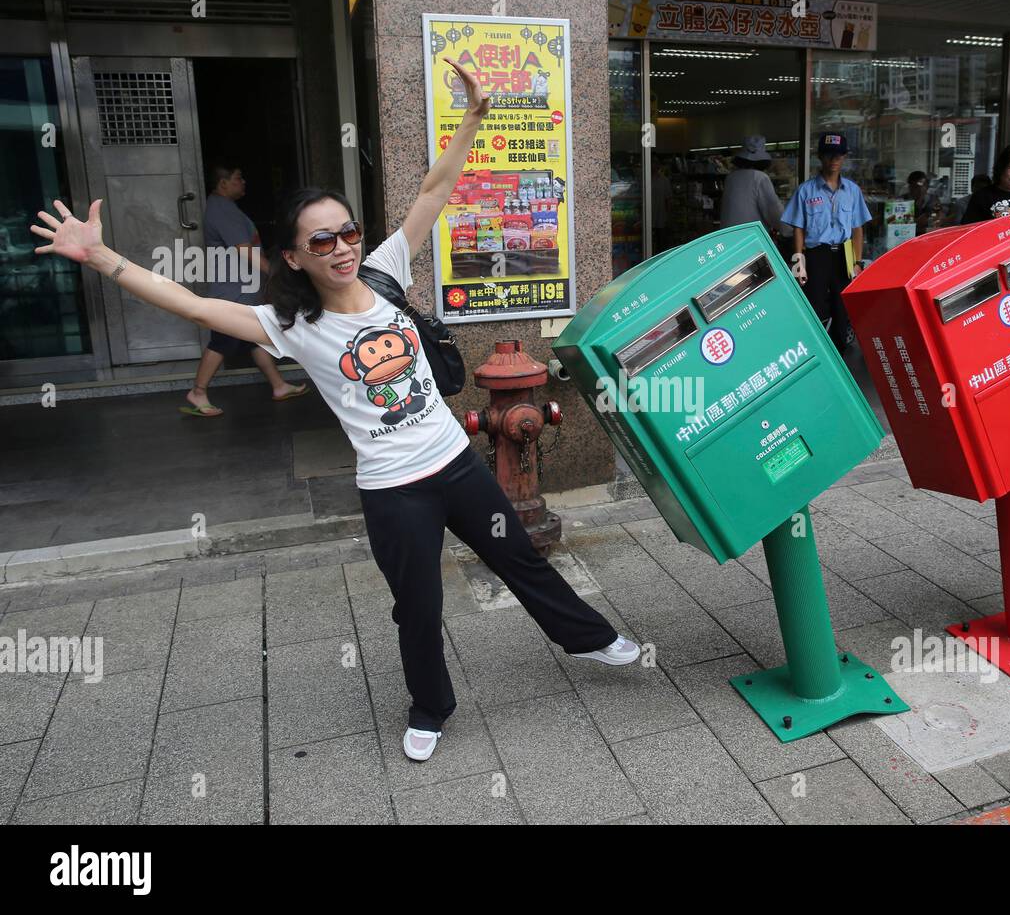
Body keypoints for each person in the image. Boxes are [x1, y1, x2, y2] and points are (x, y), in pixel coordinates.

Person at [31, 58, 639, 764]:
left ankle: (590, 638)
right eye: (322, 241)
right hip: (393, 490)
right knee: (417, 606)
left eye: (346, 231)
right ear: (293, 255)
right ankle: (430, 707)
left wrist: (474, 116)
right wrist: (104, 258)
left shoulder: (383, 268)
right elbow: (195, 304)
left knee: (520, 557)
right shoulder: (292, 324)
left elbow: (436, 189)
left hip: (454, 463)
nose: (342, 247)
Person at [180, 162, 307, 416]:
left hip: (241, 288)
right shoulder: (222, 210)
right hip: (233, 290)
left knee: (255, 337)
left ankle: (279, 385)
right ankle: (198, 391)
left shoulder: (225, 208)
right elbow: (243, 248)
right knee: (223, 340)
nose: (244, 182)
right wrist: (274, 273)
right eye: (238, 178)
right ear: (223, 183)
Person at [782, 131, 871, 356]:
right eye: (829, 155)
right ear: (820, 157)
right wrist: (798, 261)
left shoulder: (851, 191)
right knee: (815, 305)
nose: (834, 160)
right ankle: (817, 353)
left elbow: (857, 228)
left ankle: (841, 352)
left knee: (842, 307)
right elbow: (798, 228)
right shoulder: (806, 190)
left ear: (844, 157)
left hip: (844, 255)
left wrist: (858, 262)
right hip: (816, 255)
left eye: (839, 155)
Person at [719, 135, 784, 230]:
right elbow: (773, 209)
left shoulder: (730, 177)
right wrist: (789, 230)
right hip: (750, 236)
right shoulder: (760, 177)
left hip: (728, 235)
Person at [905, 170, 941, 235]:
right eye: (916, 187)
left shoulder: (933, 200)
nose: (920, 189)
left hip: (926, 235)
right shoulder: (903, 200)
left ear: (927, 187)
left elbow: (936, 218)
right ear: (910, 187)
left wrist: (930, 217)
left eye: (923, 186)